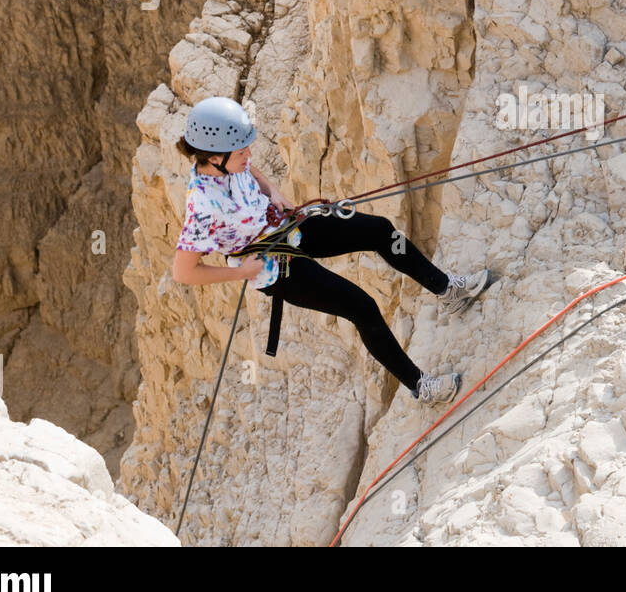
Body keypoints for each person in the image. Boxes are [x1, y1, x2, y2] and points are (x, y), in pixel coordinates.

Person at [170, 96, 489, 404]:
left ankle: (447, 290)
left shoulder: (230, 161)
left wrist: (275, 192)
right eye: (241, 151)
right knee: (362, 307)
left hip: (289, 227)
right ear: (214, 158)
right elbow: (183, 272)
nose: (248, 154)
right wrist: (241, 272)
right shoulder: (202, 207)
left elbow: (251, 170)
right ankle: (422, 387)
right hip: (275, 268)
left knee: (378, 230)